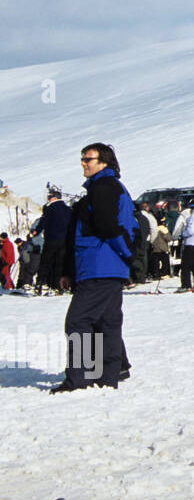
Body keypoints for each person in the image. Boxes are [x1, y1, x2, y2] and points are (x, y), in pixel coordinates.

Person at [52, 142, 136, 392]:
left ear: (103, 162)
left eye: (88, 159)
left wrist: (127, 255)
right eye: (82, 158)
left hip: (99, 266)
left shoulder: (104, 188)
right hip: (107, 268)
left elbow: (109, 227)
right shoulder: (105, 188)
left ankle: (80, 378)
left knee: (77, 321)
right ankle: (107, 377)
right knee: (106, 322)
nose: (83, 163)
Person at [30, 187, 72, 296]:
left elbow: (44, 222)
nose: (48, 198)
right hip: (64, 241)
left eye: (50, 196)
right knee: (60, 264)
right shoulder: (68, 210)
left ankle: (39, 285)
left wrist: (35, 232)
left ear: (55, 198)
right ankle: (59, 287)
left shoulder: (50, 208)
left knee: (45, 262)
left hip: (52, 239)